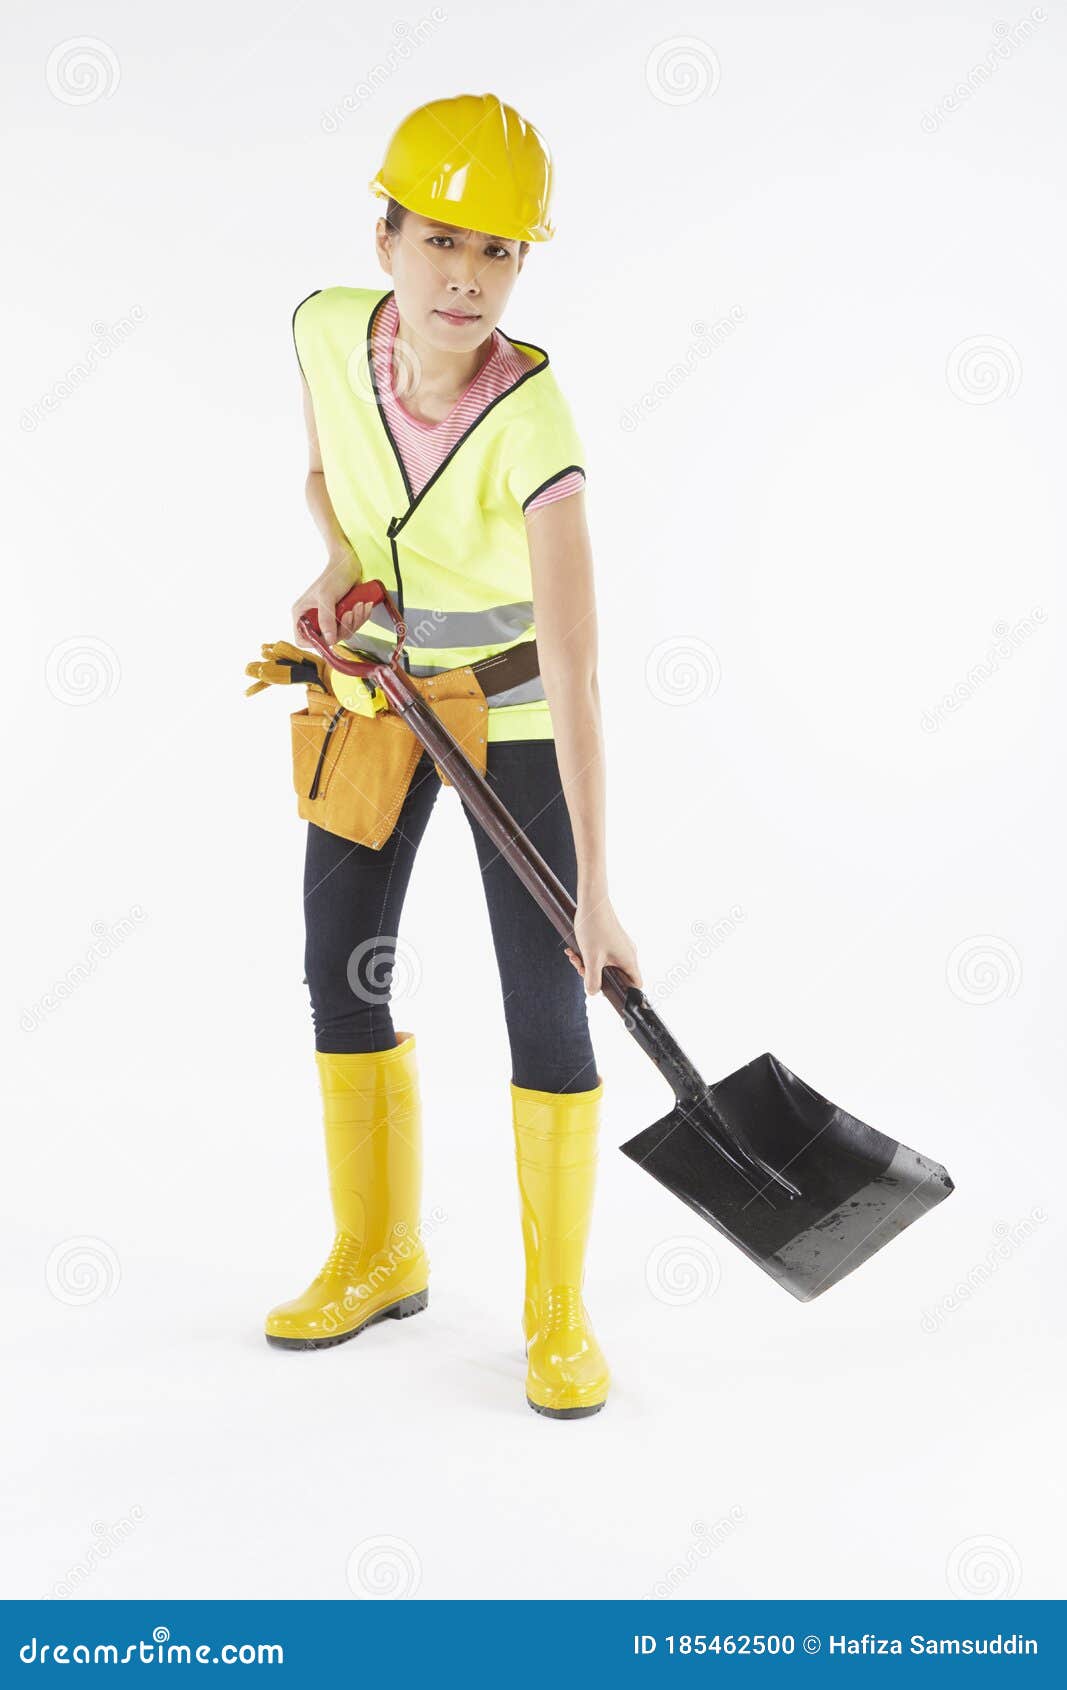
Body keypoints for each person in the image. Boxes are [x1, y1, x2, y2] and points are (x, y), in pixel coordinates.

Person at [264, 92, 642, 1419]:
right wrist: (339, 558)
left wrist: (597, 889)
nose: (466, 276)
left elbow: (579, 662)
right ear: (386, 236)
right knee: (336, 965)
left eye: (498, 250)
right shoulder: (323, 330)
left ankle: (558, 1315)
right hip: (375, 693)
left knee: (545, 1002)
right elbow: (326, 474)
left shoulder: (535, 420)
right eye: (440, 238)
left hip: (514, 716)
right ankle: (379, 1252)